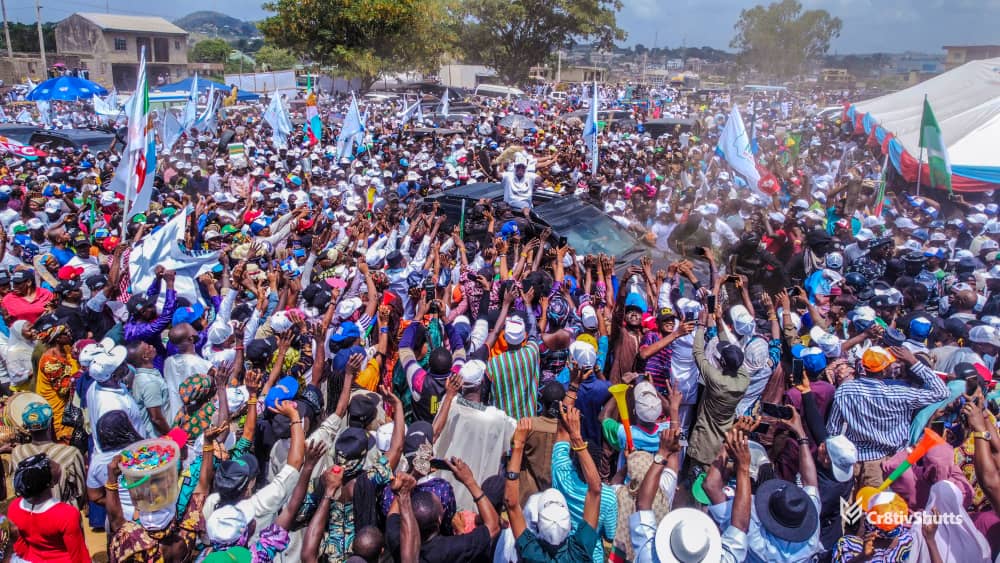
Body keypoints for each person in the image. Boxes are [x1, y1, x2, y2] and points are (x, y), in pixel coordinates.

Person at [7, 453, 90, 562]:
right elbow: (79, 555)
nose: (55, 464)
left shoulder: (14, 507)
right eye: (51, 465)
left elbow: (19, 545)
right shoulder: (66, 514)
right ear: (51, 483)